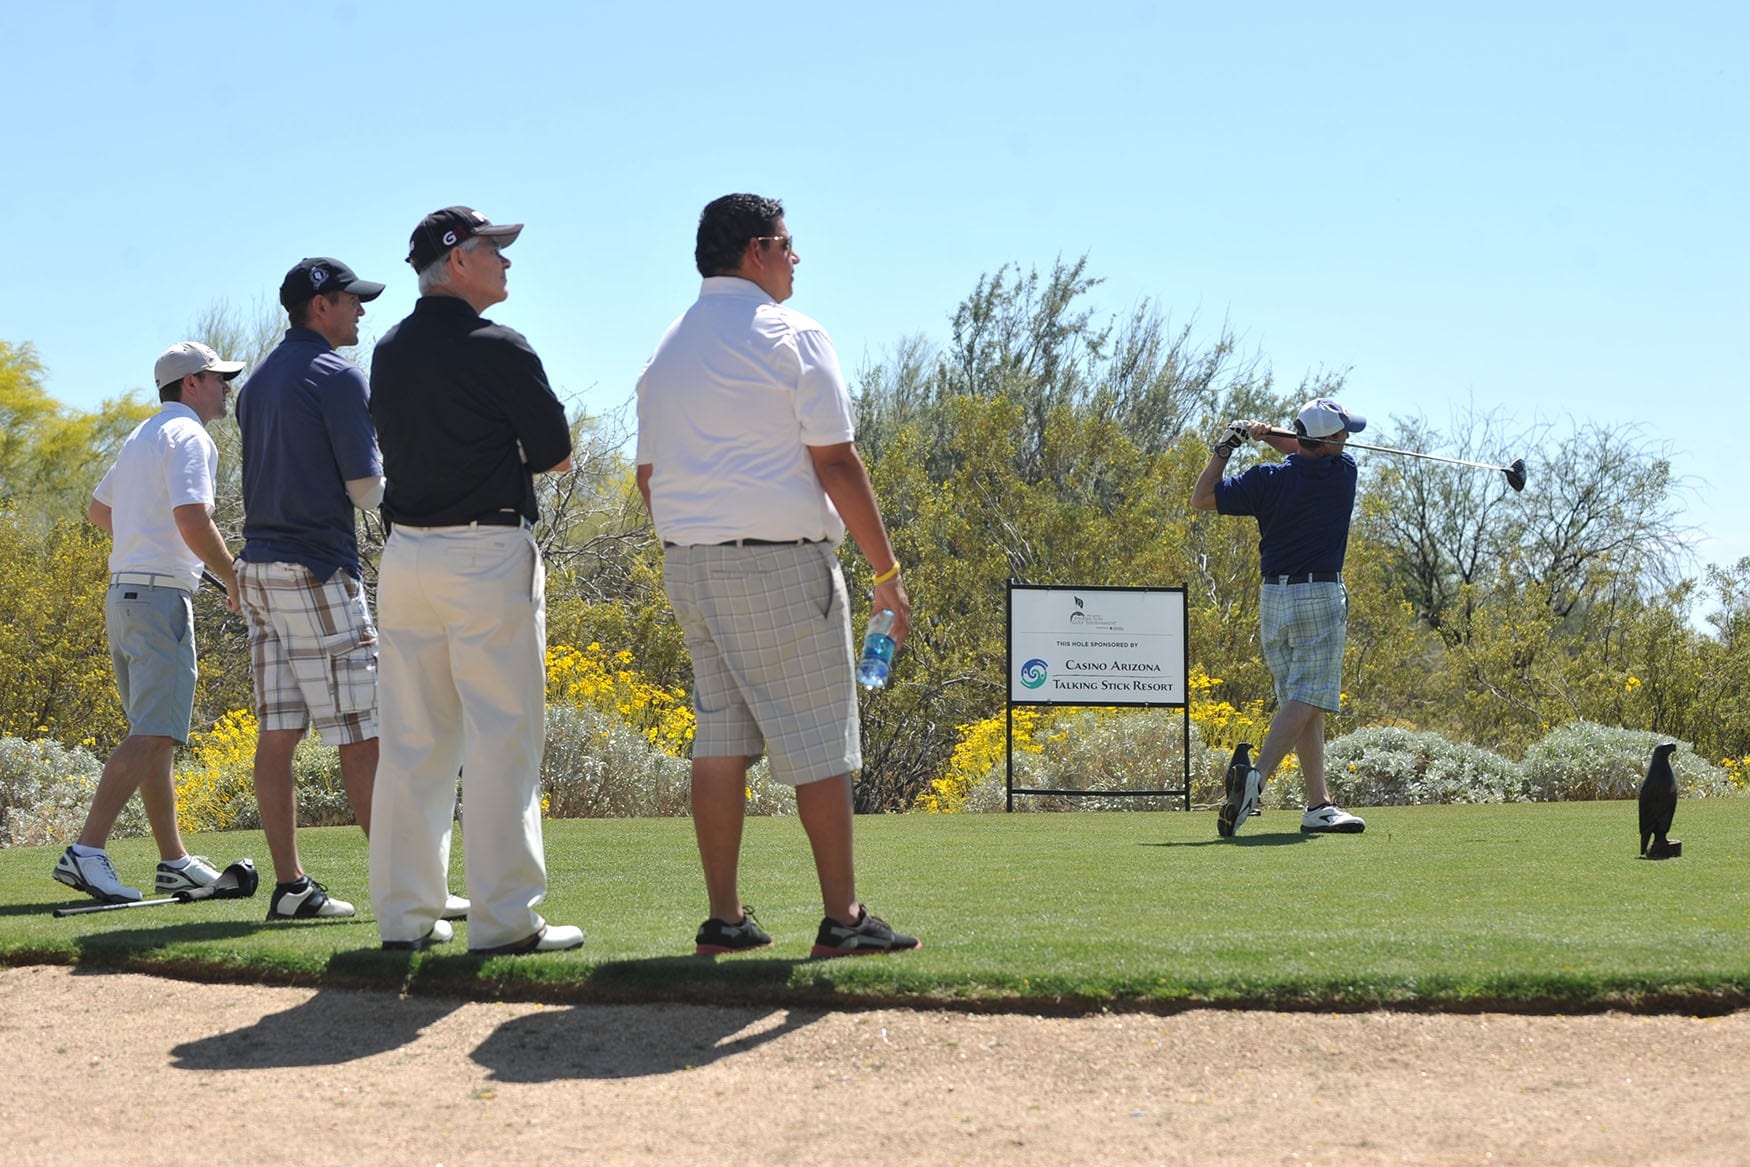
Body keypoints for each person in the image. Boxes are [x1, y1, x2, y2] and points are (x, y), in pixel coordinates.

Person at [635, 193, 920, 958]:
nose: (797, 258)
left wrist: (691, 534)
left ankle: (724, 920)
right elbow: (835, 460)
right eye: (788, 245)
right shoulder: (793, 334)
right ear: (756, 250)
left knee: (720, 738)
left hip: (690, 564)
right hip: (777, 561)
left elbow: (648, 474)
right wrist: (885, 570)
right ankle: (843, 918)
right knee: (821, 738)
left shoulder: (667, 348)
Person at [367, 206, 582, 954]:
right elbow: (555, 452)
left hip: (406, 560)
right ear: (457, 260)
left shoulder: (388, 349)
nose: (507, 261)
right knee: (501, 737)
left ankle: (405, 915)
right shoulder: (499, 345)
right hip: (483, 552)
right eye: (496, 249)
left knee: (413, 740)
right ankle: (504, 921)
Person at [235, 258, 469, 924]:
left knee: (278, 732)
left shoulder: (256, 384)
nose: (361, 311)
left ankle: (292, 887)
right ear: (321, 306)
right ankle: (408, 886)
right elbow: (365, 489)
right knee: (364, 734)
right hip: (316, 569)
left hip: (259, 568)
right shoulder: (337, 374)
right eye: (351, 301)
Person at [51, 342, 244, 903]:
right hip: (157, 600)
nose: (225, 387)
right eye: (217, 378)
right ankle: (86, 853)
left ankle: (174, 861)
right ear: (190, 384)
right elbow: (192, 516)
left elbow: (99, 510)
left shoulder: (142, 436)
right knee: (156, 731)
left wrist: (144, 542)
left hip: (126, 596)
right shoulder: (190, 436)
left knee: (155, 733)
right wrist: (232, 578)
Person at [1191, 398, 1370, 838]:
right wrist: (1269, 435)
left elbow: (1202, 497)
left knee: (1302, 701)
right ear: (1327, 444)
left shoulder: (1266, 480)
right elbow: (1299, 451)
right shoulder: (1342, 473)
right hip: (1320, 594)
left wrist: (1227, 447)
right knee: (1308, 695)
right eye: (1342, 435)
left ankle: (1318, 804)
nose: (1347, 441)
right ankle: (1257, 779)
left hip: (1274, 598)